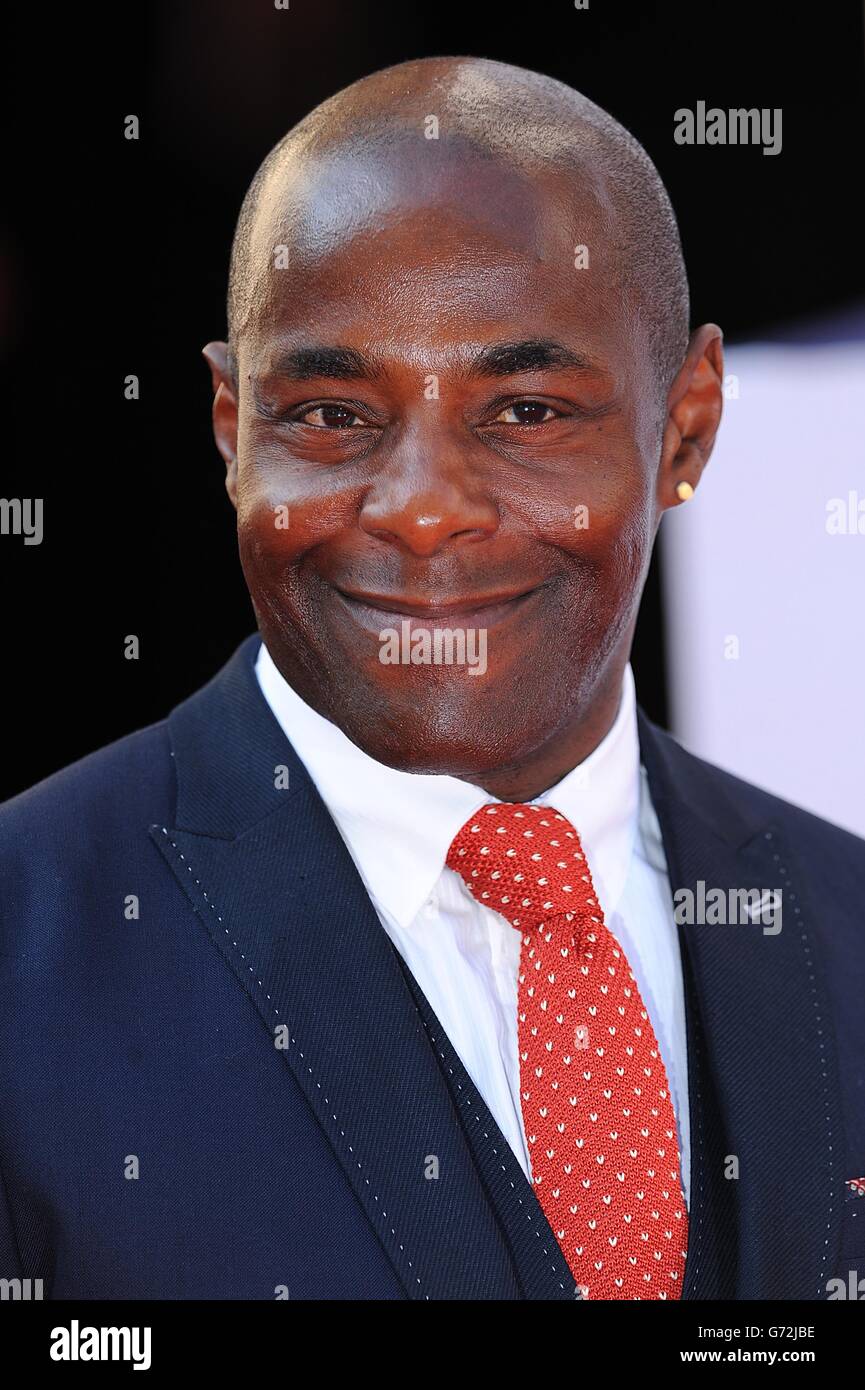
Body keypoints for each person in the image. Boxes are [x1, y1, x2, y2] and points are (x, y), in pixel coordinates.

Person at [1, 55, 862, 1302]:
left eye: (525, 412)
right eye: (331, 415)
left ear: (685, 428)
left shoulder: (842, 924)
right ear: (233, 431)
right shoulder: (26, 954)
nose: (418, 509)